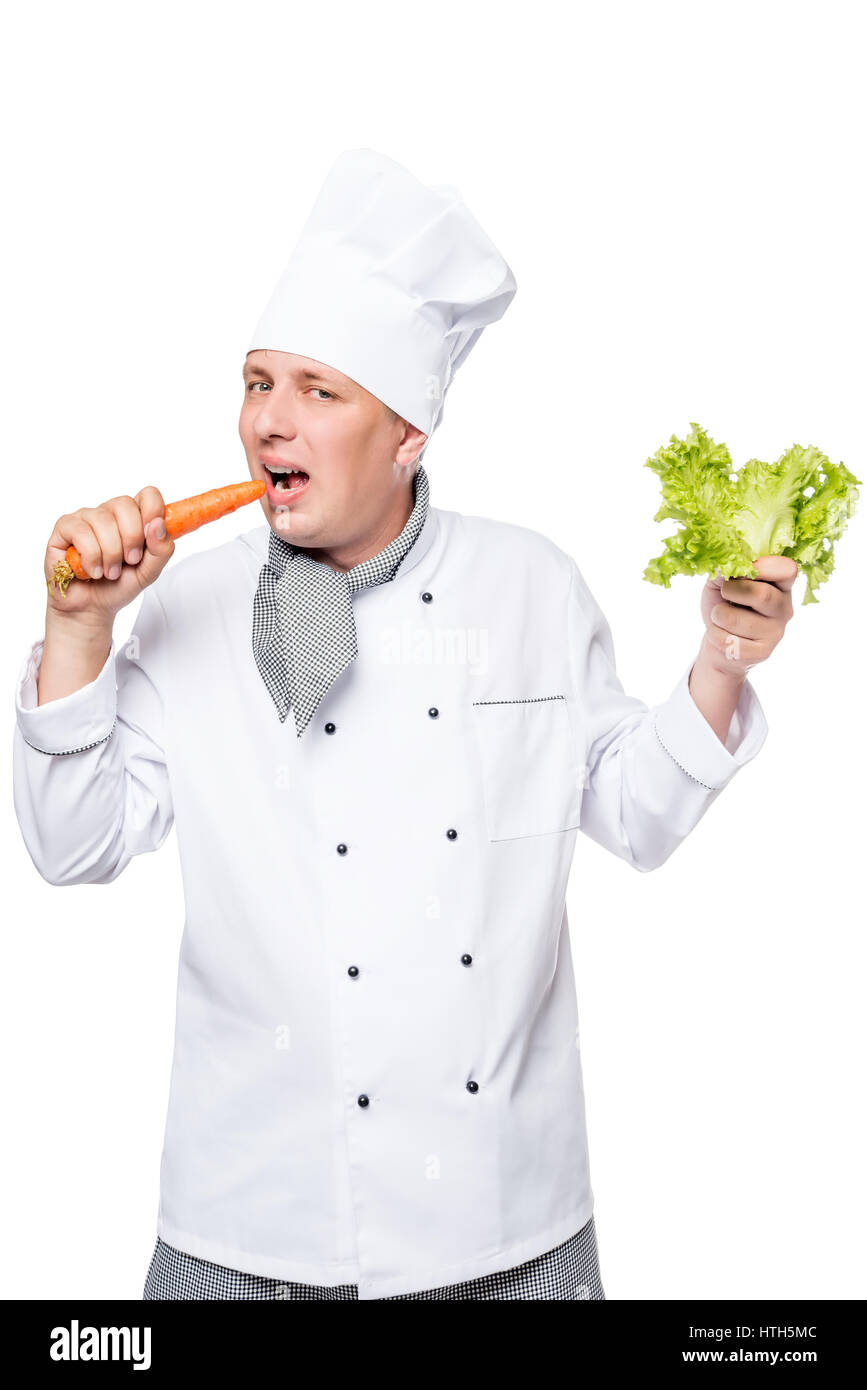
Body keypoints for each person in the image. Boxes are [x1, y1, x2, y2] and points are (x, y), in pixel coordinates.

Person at [12, 149, 798, 1301]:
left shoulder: (530, 588)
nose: (269, 423)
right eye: (256, 381)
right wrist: (76, 628)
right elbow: (71, 846)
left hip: (505, 1228)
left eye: (319, 392)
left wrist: (725, 656)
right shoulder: (186, 602)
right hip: (243, 1227)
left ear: (410, 436)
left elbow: (637, 812)